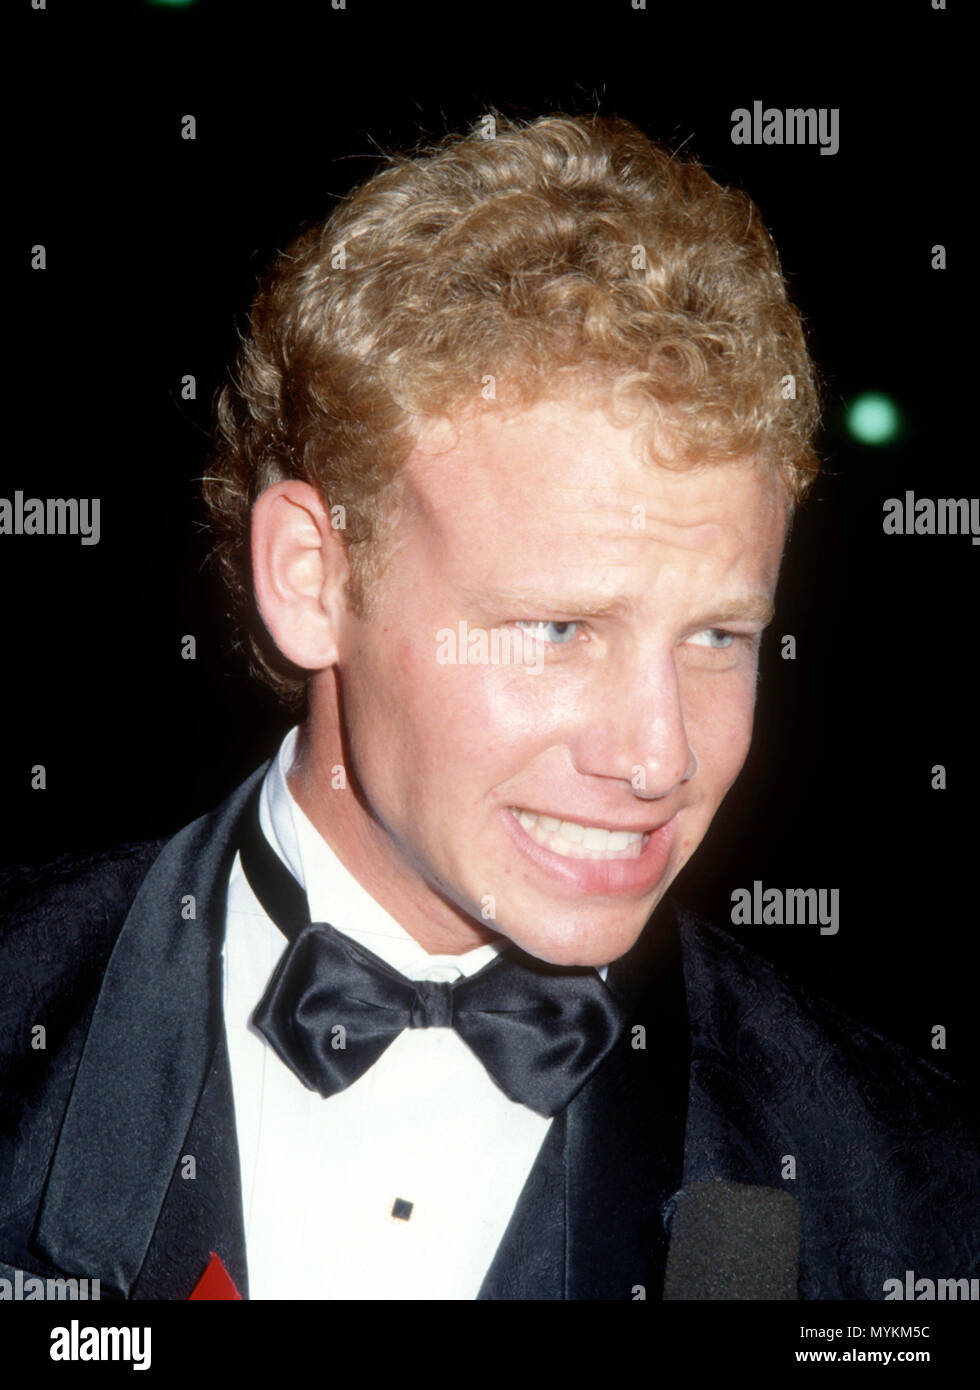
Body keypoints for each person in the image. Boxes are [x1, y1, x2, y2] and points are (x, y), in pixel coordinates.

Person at [1, 114, 976, 1302]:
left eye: (716, 637)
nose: (658, 755)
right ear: (313, 579)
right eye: (558, 628)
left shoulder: (910, 1188)